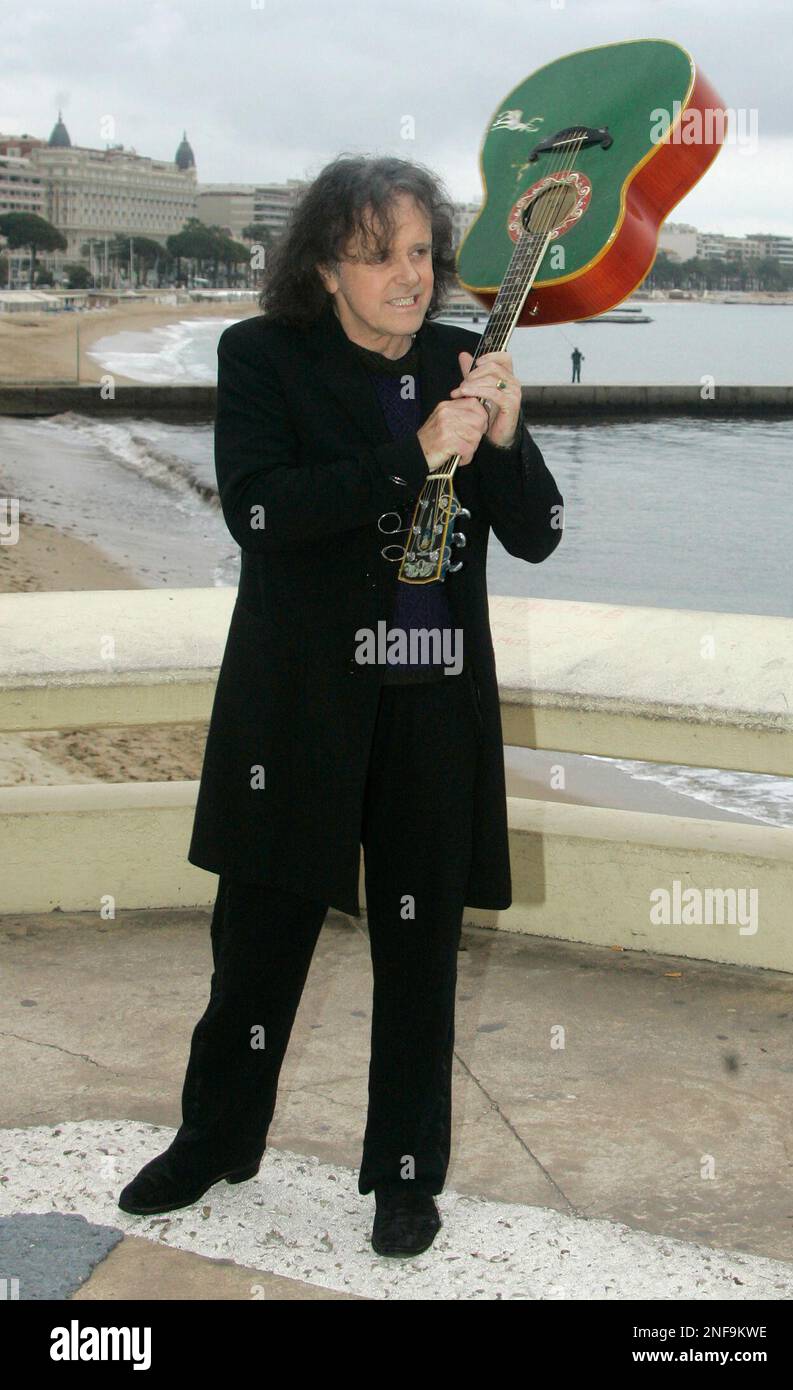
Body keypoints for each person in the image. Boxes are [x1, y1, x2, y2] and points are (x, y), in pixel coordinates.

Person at [118, 155, 564, 1258]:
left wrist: (501, 434)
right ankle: (216, 1135)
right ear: (324, 266)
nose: (409, 277)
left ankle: (405, 1178)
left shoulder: (466, 358)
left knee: (419, 956)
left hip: (427, 695)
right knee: (259, 943)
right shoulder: (262, 357)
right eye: (380, 256)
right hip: (300, 704)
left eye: (421, 252)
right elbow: (262, 511)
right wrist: (413, 452)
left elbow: (538, 529)